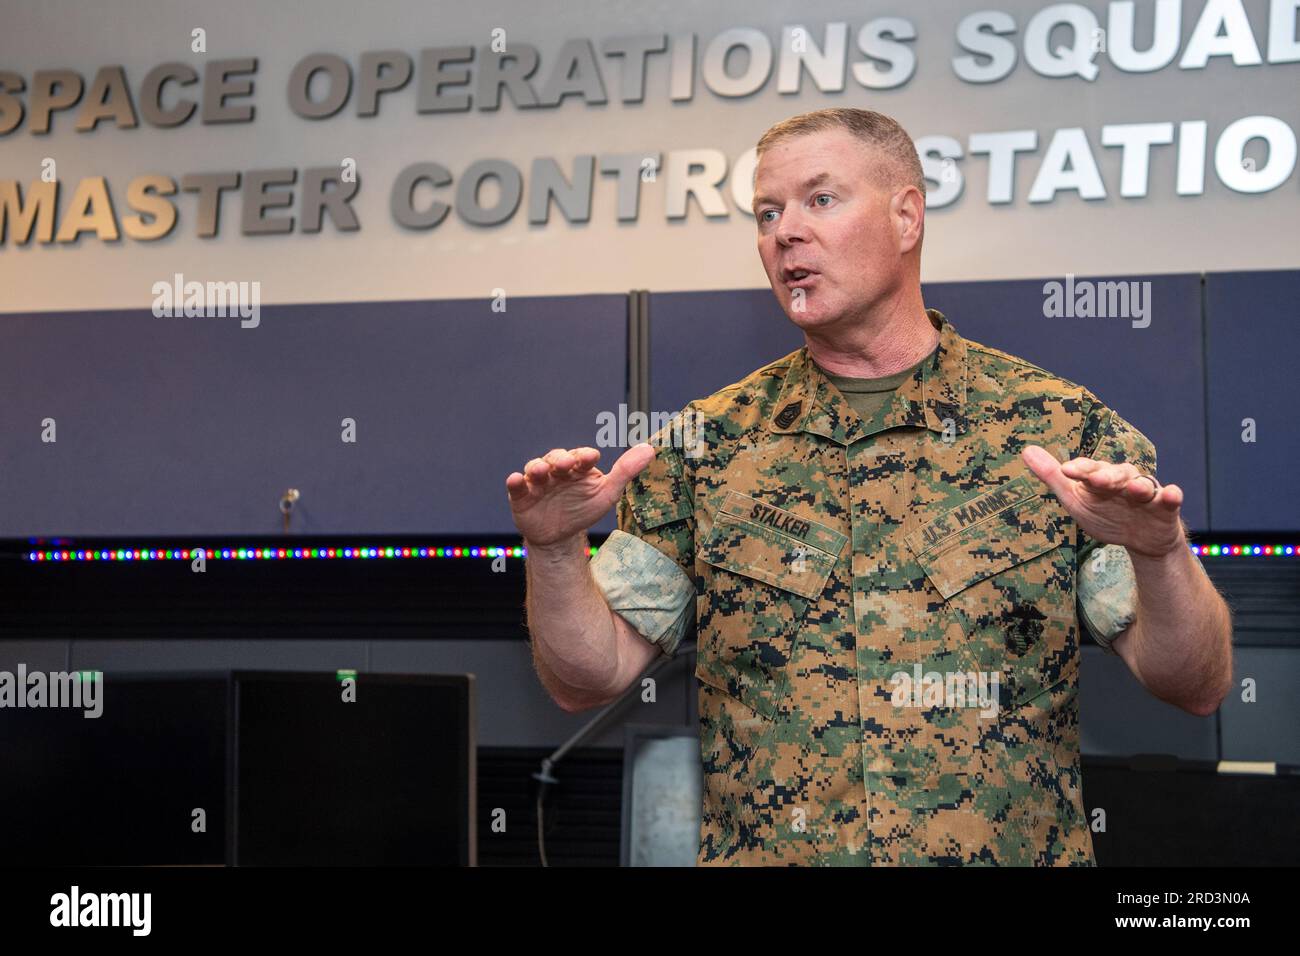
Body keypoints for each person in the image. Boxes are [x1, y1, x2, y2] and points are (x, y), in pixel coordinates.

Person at [506, 108, 1234, 866]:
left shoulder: (1055, 430)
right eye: (766, 211)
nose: (785, 231)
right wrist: (555, 550)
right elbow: (587, 680)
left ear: (907, 216)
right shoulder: (705, 445)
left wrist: (1159, 555)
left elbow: (1195, 683)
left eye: (820, 200)